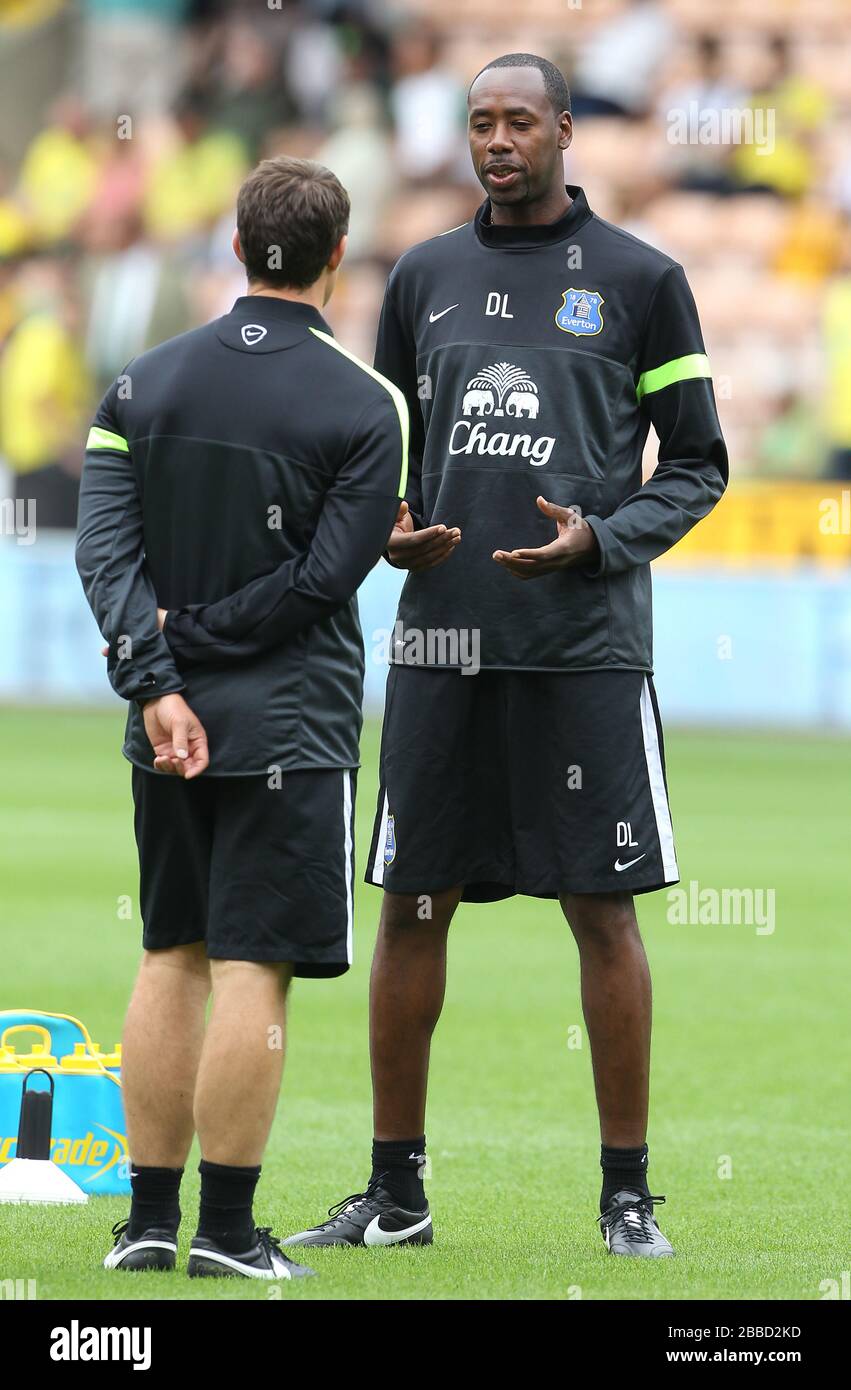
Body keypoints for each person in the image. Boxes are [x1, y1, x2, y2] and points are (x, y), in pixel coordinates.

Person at [282, 54, 728, 1258]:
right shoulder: (423, 273)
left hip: (581, 652)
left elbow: (696, 465)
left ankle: (625, 1195)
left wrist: (600, 539)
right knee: (412, 907)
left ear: (565, 130)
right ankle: (395, 1192)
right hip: (438, 645)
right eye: (479, 121)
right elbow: (379, 454)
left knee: (603, 916)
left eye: (517, 120)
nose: (495, 140)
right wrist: (383, 526)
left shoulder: (641, 280)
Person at [75, 155, 408, 1280]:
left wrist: (156, 673)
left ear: (233, 249)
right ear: (334, 259)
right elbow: (322, 583)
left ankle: (145, 1223)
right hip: (287, 723)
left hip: (165, 717)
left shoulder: (140, 383)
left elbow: (103, 552)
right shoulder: (368, 405)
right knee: (253, 967)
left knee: (171, 953)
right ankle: (225, 1231)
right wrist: (201, 645)